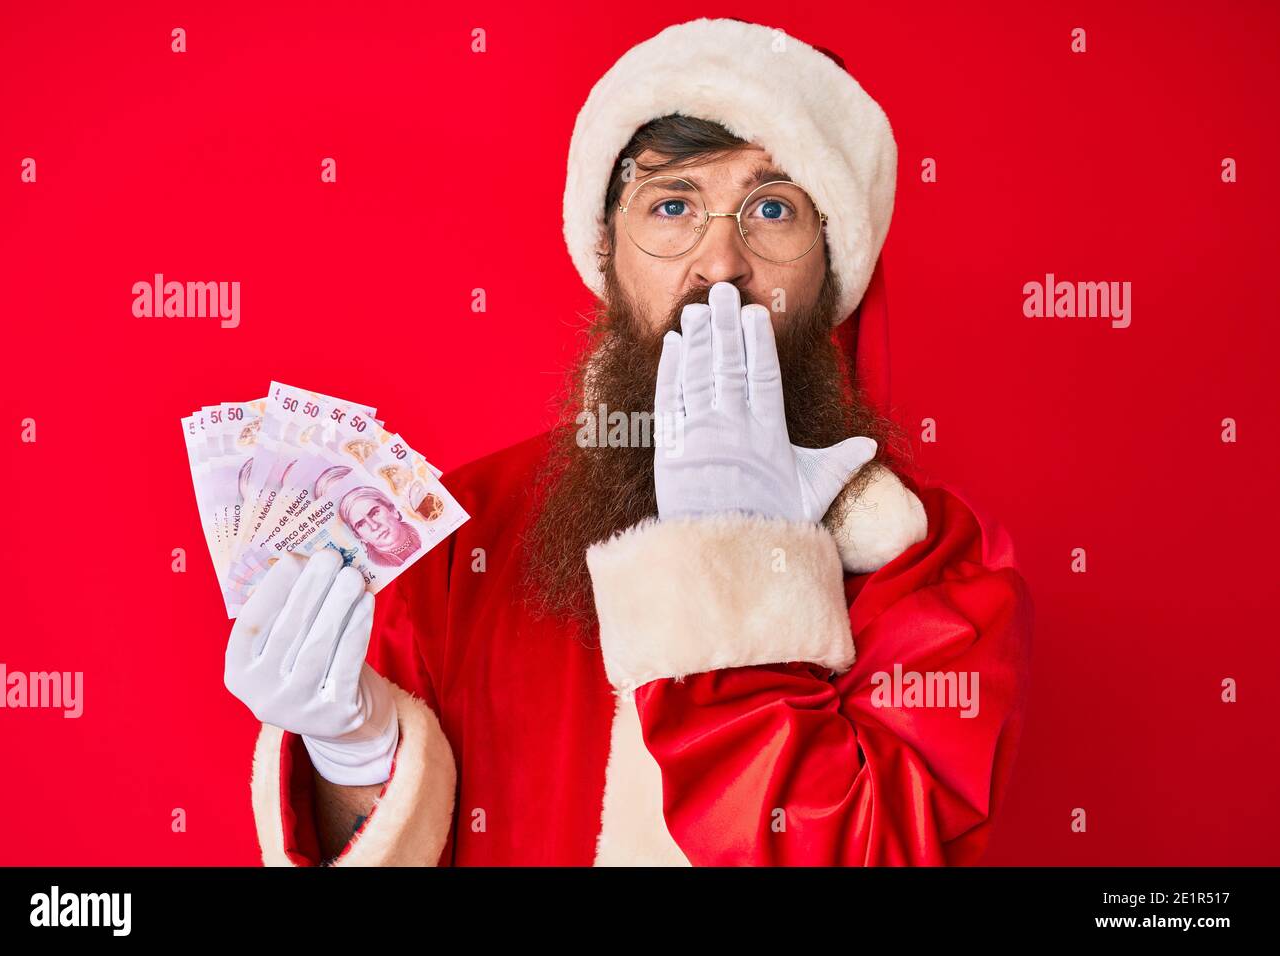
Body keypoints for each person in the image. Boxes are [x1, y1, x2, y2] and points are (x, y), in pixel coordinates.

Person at [223, 17, 1032, 866]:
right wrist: (353, 758)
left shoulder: (940, 567)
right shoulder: (457, 549)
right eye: (673, 204)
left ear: (832, 263)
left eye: (772, 207)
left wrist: (736, 577)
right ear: (605, 248)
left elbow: (885, 852)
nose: (721, 263)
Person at [336, 486, 421, 568]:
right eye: (361, 524)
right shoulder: (377, 564)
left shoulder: (420, 528)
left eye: (374, 513)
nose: (374, 526)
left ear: (392, 510)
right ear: (360, 537)